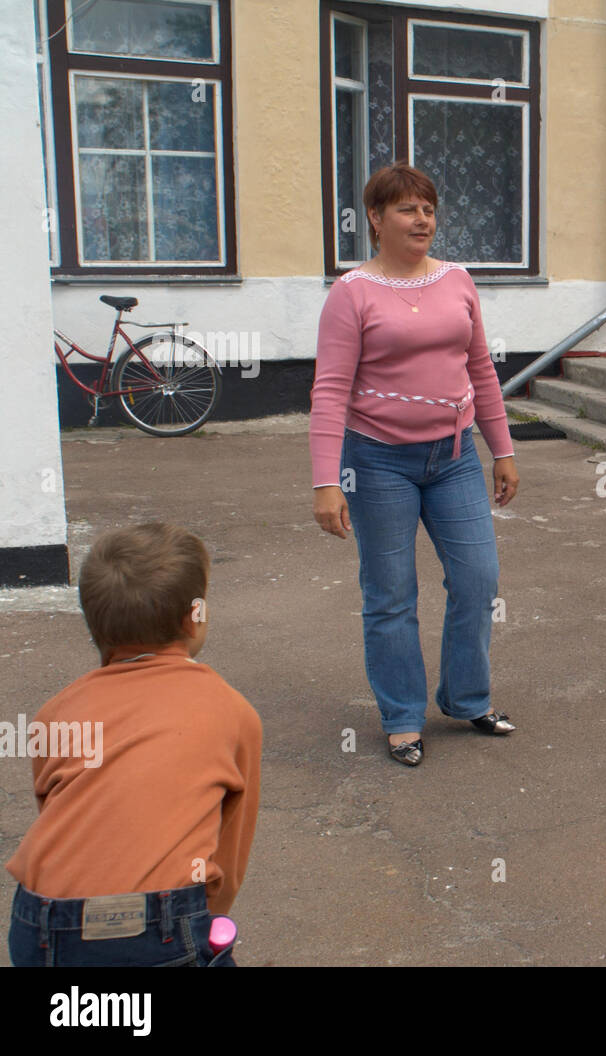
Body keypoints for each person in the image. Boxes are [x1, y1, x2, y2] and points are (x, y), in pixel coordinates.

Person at [311, 162, 520, 767]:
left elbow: (480, 369)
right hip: (378, 462)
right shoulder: (352, 293)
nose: (421, 218)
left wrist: (501, 449)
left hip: (453, 457)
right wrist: (327, 482)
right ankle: (402, 717)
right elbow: (329, 391)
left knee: (478, 578)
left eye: (428, 207)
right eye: (406, 208)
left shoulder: (458, 281)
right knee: (391, 594)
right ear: (376, 219)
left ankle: (466, 698)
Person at [6, 523, 261, 966]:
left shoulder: (55, 712)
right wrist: (206, 923)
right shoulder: (231, 712)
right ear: (192, 618)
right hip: (155, 920)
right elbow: (229, 856)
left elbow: (62, 816)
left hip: (39, 918)